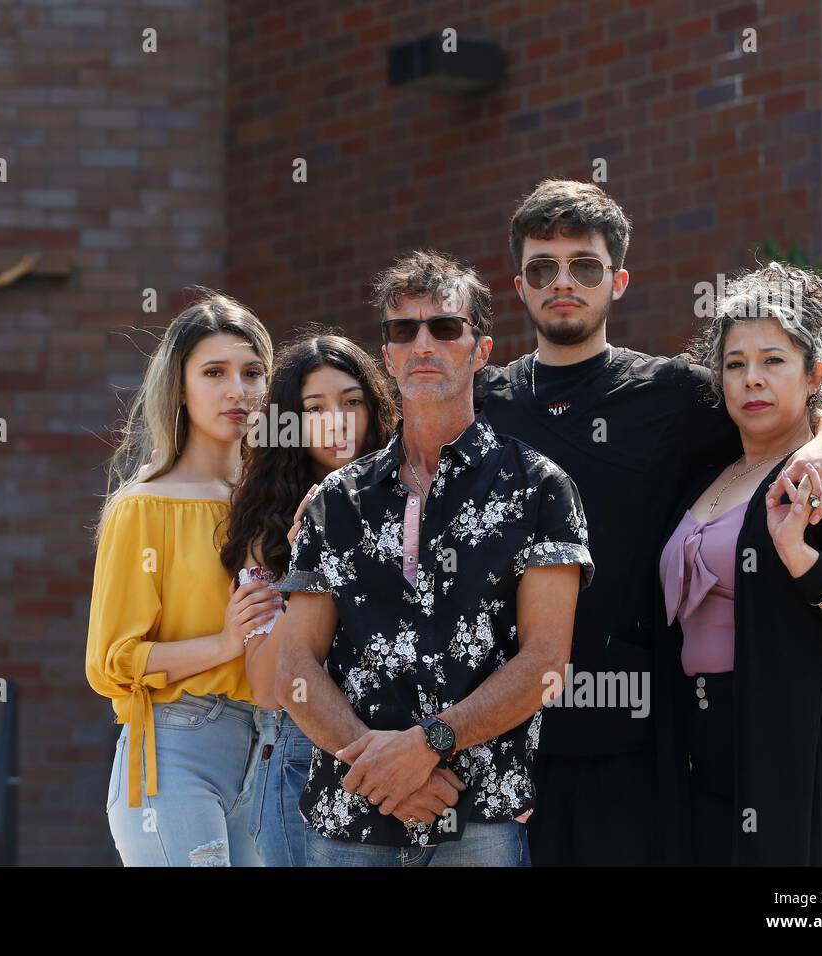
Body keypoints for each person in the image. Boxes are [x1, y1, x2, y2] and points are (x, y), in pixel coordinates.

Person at [473, 179, 822, 865]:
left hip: (640, 744)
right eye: (543, 267)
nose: (563, 281)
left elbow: (794, 415)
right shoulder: (484, 404)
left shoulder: (675, 395)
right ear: (520, 284)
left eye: (586, 265)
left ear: (620, 279)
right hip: (502, 735)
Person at [274, 251, 594, 866]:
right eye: (403, 329)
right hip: (348, 821)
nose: (423, 343)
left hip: (478, 819)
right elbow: (294, 663)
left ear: (481, 350)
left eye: (444, 328)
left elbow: (547, 661)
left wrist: (427, 747)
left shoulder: (539, 488)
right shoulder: (336, 502)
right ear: (388, 355)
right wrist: (383, 768)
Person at [656, 262, 822, 865]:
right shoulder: (707, 470)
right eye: (735, 364)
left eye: (773, 361)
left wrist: (800, 558)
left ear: (814, 375)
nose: (752, 379)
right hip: (703, 742)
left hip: (801, 742)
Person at [85, 290, 281, 866]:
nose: (236, 391)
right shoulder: (145, 507)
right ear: (181, 386)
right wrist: (223, 645)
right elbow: (112, 661)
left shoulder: (277, 505)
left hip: (270, 751)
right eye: (214, 372)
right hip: (178, 748)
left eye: (252, 373)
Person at [221, 328, 399, 866]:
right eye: (315, 408)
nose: (338, 420)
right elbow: (268, 687)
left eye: (351, 402)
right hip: (303, 758)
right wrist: (308, 565)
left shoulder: (419, 497)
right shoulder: (268, 533)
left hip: (412, 752)